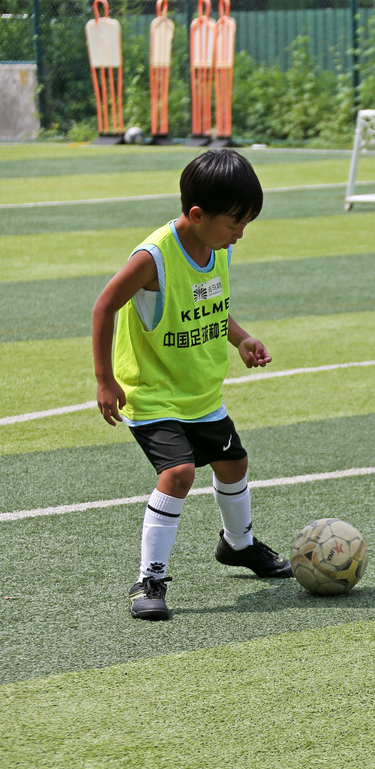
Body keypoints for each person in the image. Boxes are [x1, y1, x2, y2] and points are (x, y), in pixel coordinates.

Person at [92, 149, 292, 622]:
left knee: (233, 462)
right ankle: (150, 579)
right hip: (152, 393)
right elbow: (104, 307)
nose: (239, 235)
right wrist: (105, 379)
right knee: (178, 474)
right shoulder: (154, 257)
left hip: (201, 393)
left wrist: (241, 338)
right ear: (198, 215)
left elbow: (211, 306)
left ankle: (238, 545)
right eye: (234, 224)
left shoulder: (214, 247)